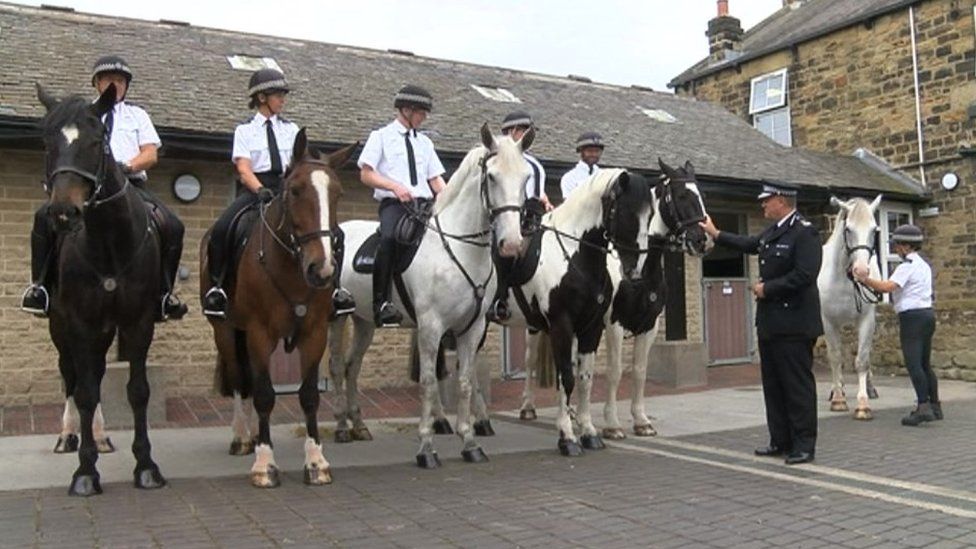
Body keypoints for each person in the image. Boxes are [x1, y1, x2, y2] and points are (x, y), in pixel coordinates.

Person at [21, 55, 187, 321]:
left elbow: (150, 154)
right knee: (44, 218)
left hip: (130, 186)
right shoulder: (81, 115)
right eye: (109, 79)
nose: (115, 84)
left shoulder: (137, 115)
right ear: (97, 83)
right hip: (89, 188)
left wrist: (128, 167)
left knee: (173, 224)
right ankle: (40, 287)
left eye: (120, 80)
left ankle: (165, 294)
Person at [202, 68, 356, 318]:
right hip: (256, 190)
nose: (283, 100)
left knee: (335, 233)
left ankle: (336, 290)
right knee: (223, 228)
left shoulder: (292, 129)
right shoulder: (245, 131)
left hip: (290, 190)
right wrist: (260, 189)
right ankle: (218, 289)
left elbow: (303, 163)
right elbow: (243, 168)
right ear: (262, 98)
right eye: (278, 95)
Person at [699, 182, 823, 465]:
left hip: (795, 324)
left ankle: (804, 444)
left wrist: (768, 289)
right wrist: (715, 233)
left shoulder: (805, 232)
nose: (763, 206)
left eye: (766, 201)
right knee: (774, 386)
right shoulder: (774, 230)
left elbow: (805, 274)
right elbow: (749, 244)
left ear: (780, 200)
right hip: (771, 324)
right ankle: (780, 440)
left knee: (797, 387)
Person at [358, 85, 446, 327]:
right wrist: (393, 186)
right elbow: (366, 174)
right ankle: (381, 303)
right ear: (406, 110)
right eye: (421, 112)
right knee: (389, 238)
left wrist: (450, 198)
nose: (425, 117)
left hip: (425, 204)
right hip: (395, 204)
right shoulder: (381, 137)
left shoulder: (426, 143)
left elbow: (435, 179)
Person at [854, 224, 939, 425]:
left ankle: (923, 406)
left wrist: (865, 280)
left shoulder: (906, 267)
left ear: (906, 246)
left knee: (913, 364)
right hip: (927, 315)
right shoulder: (924, 265)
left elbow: (887, 287)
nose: (895, 249)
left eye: (897, 245)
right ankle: (935, 406)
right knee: (925, 363)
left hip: (912, 318)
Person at [486, 110, 552, 322]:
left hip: (535, 214)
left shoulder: (534, 163)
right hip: (509, 213)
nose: (525, 137)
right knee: (507, 250)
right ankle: (500, 297)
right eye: (522, 131)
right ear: (512, 132)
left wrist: (546, 201)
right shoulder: (497, 160)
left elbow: (536, 189)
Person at [559, 131, 604, 200]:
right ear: (581, 151)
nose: (594, 154)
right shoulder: (570, 178)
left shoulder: (603, 176)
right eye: (590, 151)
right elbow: (569, 205)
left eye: (597, 151)